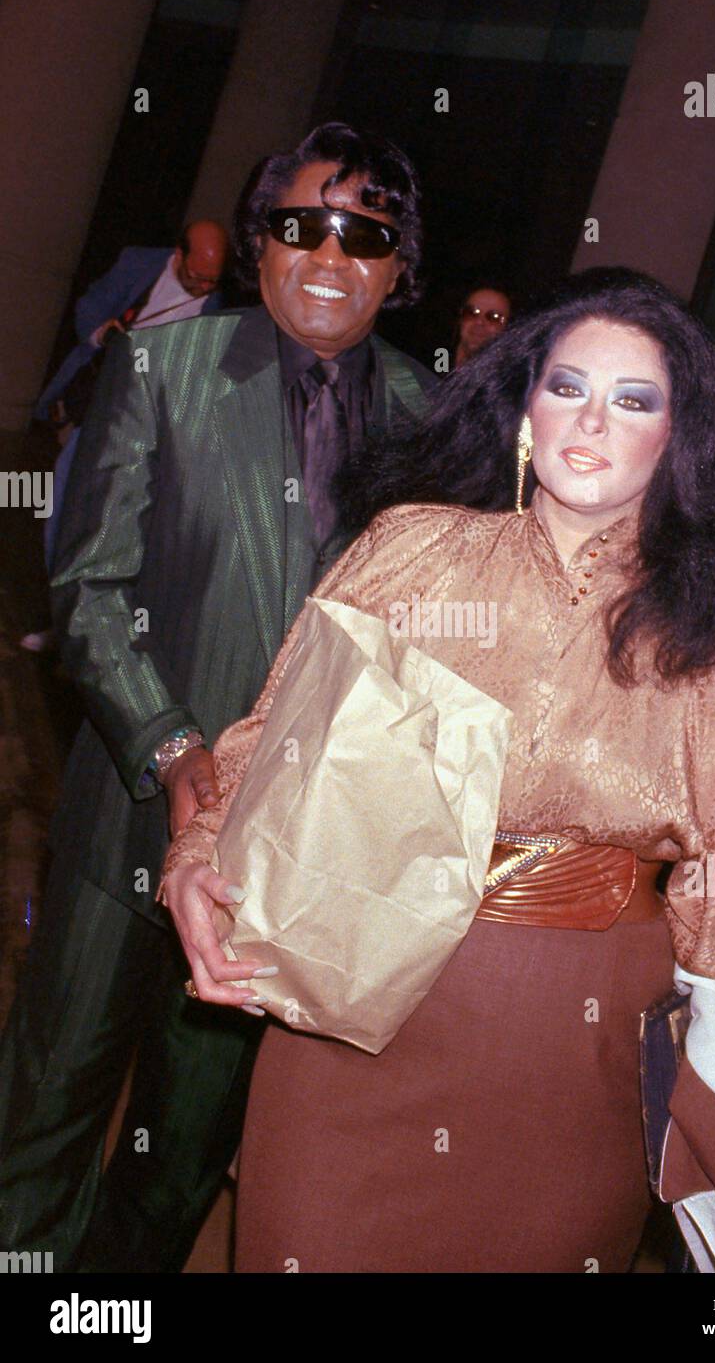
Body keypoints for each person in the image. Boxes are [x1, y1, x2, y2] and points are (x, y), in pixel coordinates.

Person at [163, 268, 715, 1273]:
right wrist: (198, 856)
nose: (589, 420)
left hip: (569, 1057)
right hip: (350, 1011)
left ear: (677, 436)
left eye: (632, 400)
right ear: (522, 409)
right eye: (565, 387)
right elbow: (267, 750)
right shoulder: (411, 552)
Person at [0, 122, 436, 1273]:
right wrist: (169, 740)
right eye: (300, 225)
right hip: (125, 830)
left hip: (288, 869)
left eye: (363, 233)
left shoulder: (431, 420)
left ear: (398, 267)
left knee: (182, 1153)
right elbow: (88, 585)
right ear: (258, 244)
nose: (329, 254)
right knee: (41, 1116)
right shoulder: (164, 368)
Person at [36, 221, 230, 421]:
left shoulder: (215, 310)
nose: (205, 287)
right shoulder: (138, 263)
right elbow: (89, 307)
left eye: (213, 280)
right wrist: (102, 332)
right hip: (91, 391)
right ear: (179, 254)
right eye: (196, 277)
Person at [454, 285, 511, 367]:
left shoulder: (503, 377)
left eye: (494, 317)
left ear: (506, 328)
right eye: (471, 313)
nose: (479, 322)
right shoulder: (437, 356)